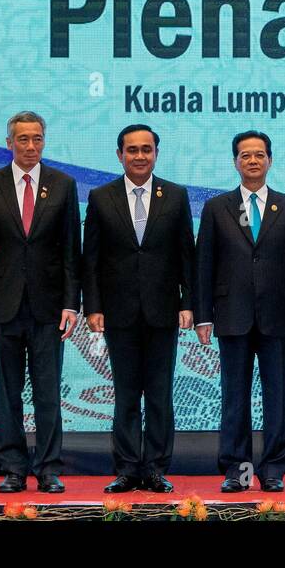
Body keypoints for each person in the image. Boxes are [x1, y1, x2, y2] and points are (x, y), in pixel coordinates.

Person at [0, 111, 81, 494]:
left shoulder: (63, 185)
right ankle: (14, 467)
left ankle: (49, 467)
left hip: (50, 308)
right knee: (8, 391)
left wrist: (72, 304)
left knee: (48, 392)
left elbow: (71, 249)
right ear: (9, 143)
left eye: (37, 139)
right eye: (23, 139)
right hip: (2, 306)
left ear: (44, 141)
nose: (30, 146)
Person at [195, 130, 285, 494]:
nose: (253, 161)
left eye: (259, 155)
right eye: (245, 155)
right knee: (234, 396)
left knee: (278, 395)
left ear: (270, 160)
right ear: (235, 162)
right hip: (232, 316)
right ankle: (237, 470)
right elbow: (204, 265)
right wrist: (203, 315)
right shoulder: (217, 208)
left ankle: (274, 467)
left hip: (278, 318)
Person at [83, 124, 195, 494]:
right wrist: (93, 307)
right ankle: (128, 468)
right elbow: (92, 258)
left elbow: (186, 255)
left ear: (156, 154)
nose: (140, 156)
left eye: (147, 149)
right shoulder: (101, 197)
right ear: (119, 155)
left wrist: (188, 303)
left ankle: (156, 468)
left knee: (160, 395)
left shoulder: (176, 196)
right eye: (132, 150)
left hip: (164, 311)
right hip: (119, 312)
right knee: (127, 394)